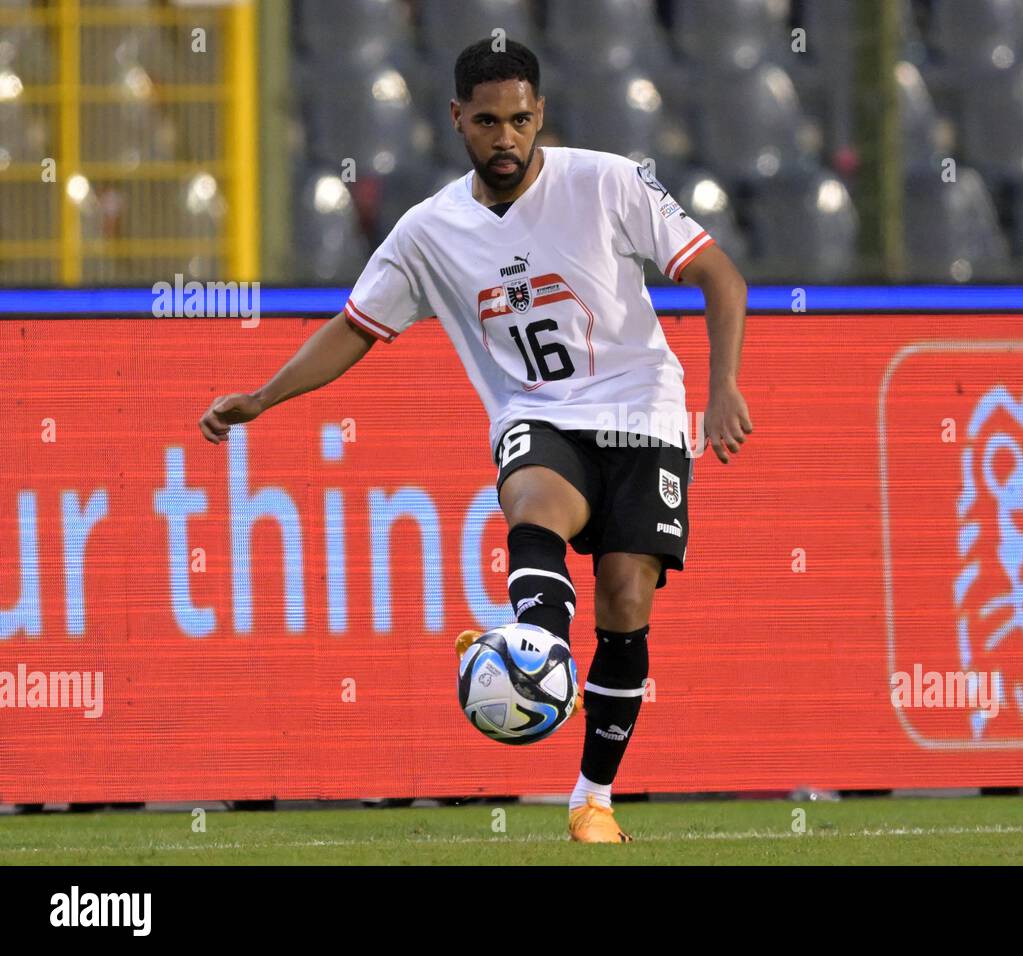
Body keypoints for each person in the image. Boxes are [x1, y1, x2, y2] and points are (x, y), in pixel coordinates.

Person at [198, 38, 752, 843]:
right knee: (534, 501)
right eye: (487, 121)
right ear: (457, 119)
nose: (505, 138)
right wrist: (264, 397)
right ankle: (534, 651)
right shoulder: (429, 232)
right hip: (538, 415)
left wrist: (724, 383)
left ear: (540, 117)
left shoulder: (607, 182)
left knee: (627, 599)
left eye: (520, 120)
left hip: (645, 412)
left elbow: (720, 278)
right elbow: (355, 328)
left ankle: (592, 798)